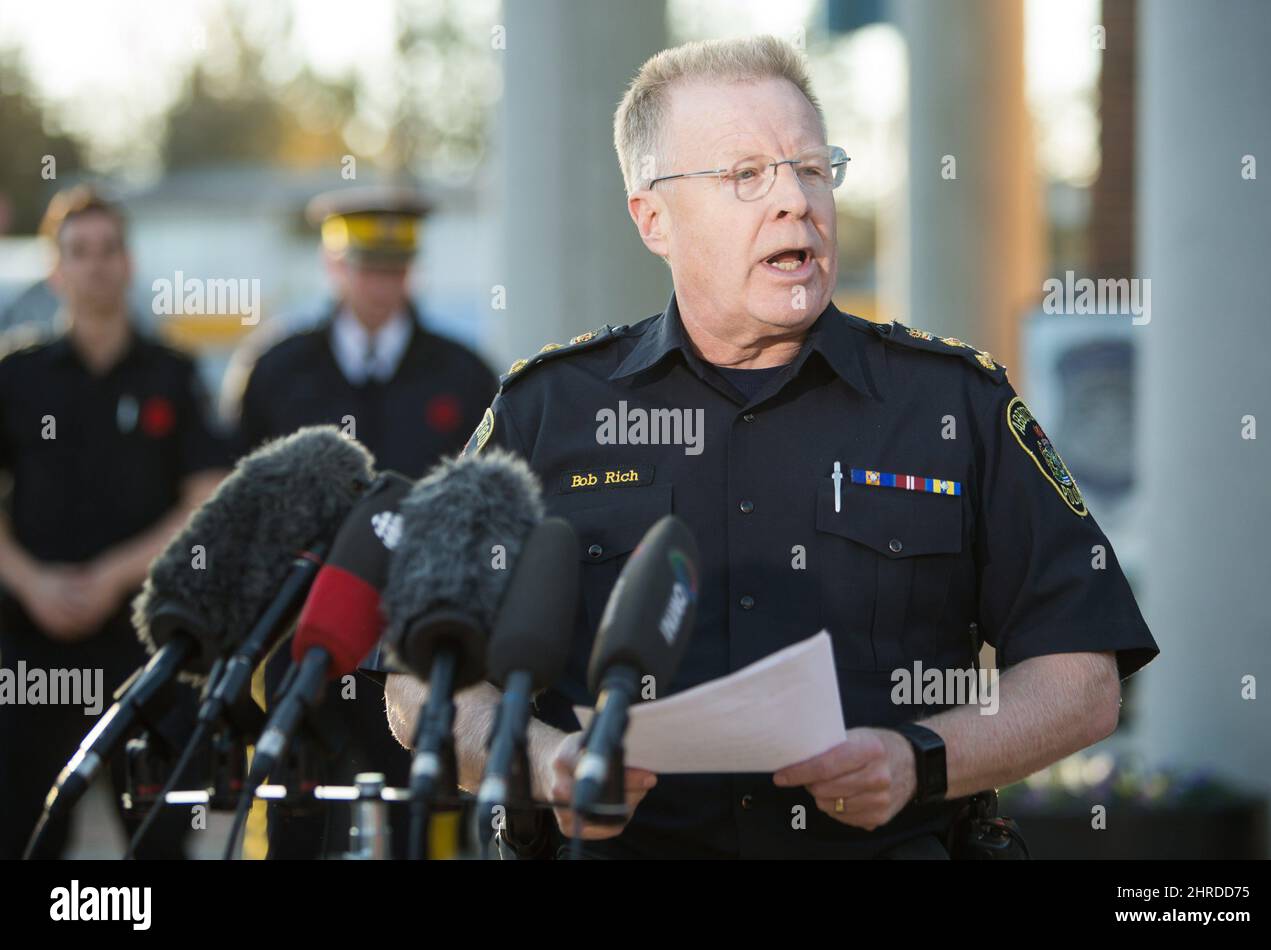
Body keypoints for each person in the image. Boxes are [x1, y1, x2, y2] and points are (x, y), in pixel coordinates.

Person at [385, 35, 1160, 859]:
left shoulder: (952, 403)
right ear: (653, 217)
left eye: (814, 167)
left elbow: (1082, 680)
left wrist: (919, 759)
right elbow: (416, 679)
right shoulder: (547, 410)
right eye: (747, 175)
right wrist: (544, 762)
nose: (795, 199)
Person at [221, 185, 498, 858]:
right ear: (333, 265)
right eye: (365, 266)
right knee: (293, 823)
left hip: (419, 650)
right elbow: (238, 507)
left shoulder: (463, 375)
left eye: (393, 267)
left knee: (421, 825)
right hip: (301, 640)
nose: (380, 284)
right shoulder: (276, 371)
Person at [0, 185, 227, 858]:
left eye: (109, 249)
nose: (96, 265)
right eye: (79, 252)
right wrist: (34, 581)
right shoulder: (16, 377)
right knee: (25, 837)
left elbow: (206, 500)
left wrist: (108, 576)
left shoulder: (174, 374)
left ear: (129, 262)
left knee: (156, 846)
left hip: (147, 651)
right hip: (30, 654)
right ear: (56, 269)